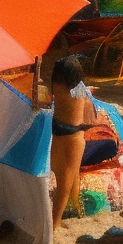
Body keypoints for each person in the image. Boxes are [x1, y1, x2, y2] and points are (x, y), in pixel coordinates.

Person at [48, 57, 96, 227]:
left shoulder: (56, 87)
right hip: (74, 135)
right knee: (68, 178)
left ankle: (56, 220)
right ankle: (66, 214)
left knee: (62, 178)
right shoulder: (79, 90)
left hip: (58, 130)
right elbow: (91, 117)